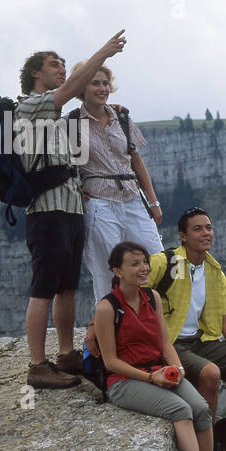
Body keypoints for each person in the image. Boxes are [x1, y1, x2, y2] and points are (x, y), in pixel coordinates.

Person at [16, 31, 126, 389]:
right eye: (54, 64)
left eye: (64, 64)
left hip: (70, 205)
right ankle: (36, 365)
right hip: (46, 211)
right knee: (43, 288)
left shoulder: (57, 115)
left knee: (66, 287)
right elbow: (75, 86)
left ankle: (65, 354)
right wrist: (104, 54)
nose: (62, 69)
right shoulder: (32, 105)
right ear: (36, 73)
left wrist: (112, 109)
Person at [93, 241, 226, 451]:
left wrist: (176, 368)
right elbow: (111, 362)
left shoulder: (151, 298)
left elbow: (164, 342)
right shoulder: (107, 308)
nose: (143, 268)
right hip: (124, 381)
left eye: (144, 262)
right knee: (180, 410)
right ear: (117, 271)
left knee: (202, 410)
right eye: (134, 264)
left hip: (160, 369)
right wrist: (151, 378)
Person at [147, 209, 226, 451]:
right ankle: (208, 446)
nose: (206, 233)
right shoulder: (164, 262)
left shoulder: (213, 271)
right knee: (210, 374)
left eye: (208, 227)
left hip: (202, 339)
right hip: (172, 342)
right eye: (198, 229)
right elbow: (128, 288)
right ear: (183, 237)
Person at [72, 66, 164, 306]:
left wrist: (153, 201)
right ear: (81, 87)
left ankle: (153, 321)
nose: (102, 89)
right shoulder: (71, 123)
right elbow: (58, 162)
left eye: (105, 83)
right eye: (95, 83)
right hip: (99, 201)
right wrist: (74, 187)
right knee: (109, 269)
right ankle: (110, 330)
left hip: (132, 196)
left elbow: (136, 160)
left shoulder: (121, 118)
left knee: (156, 259)